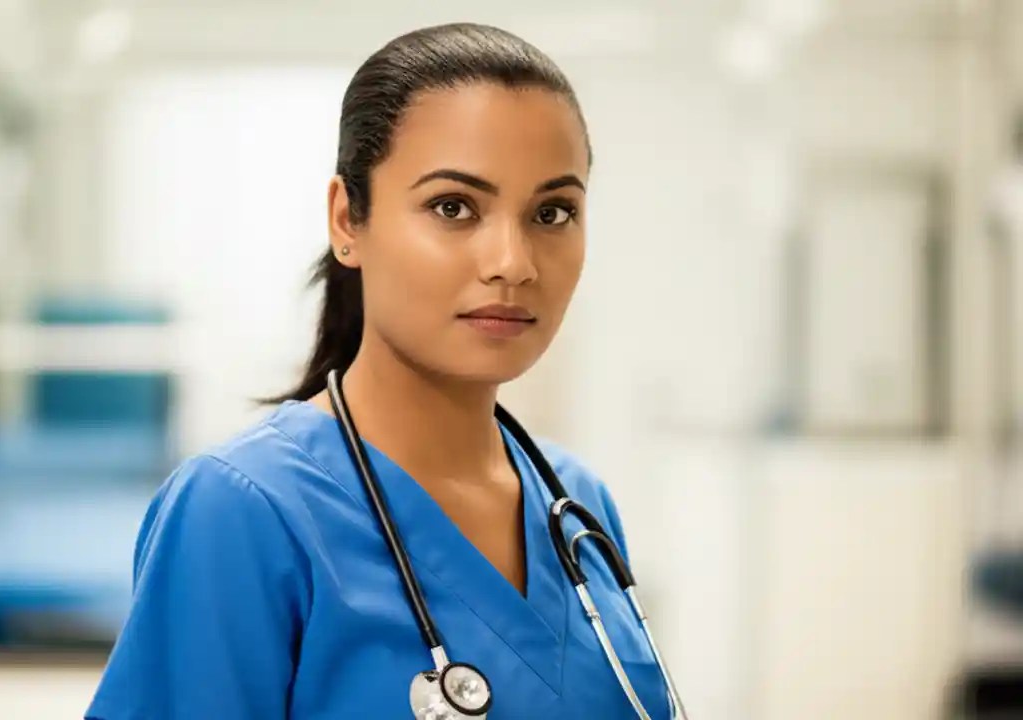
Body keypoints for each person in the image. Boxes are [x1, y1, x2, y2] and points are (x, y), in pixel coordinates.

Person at [86, 22, 673, 719]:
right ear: (347, 221)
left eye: (552, 212)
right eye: (453, 207)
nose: (513, 263)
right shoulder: (243, 511)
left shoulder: (574, 504)